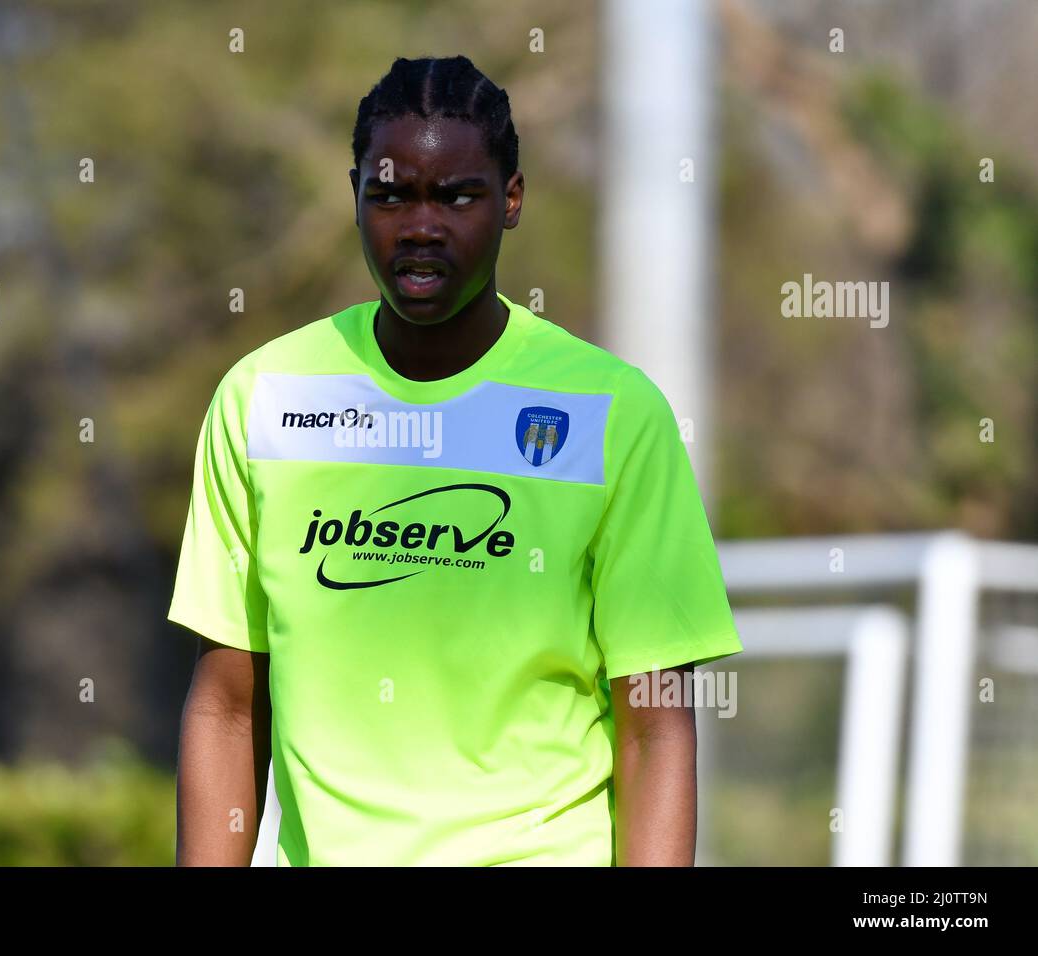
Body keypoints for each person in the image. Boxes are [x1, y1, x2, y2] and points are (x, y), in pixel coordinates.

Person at [169, 54, 742, 866]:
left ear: (511, 200)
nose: (421, 226)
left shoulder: (614, 415)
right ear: (356, 195)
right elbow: (228, 708)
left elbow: (654, 722)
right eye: (392, 194)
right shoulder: (260, 399)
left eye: (457, 195)